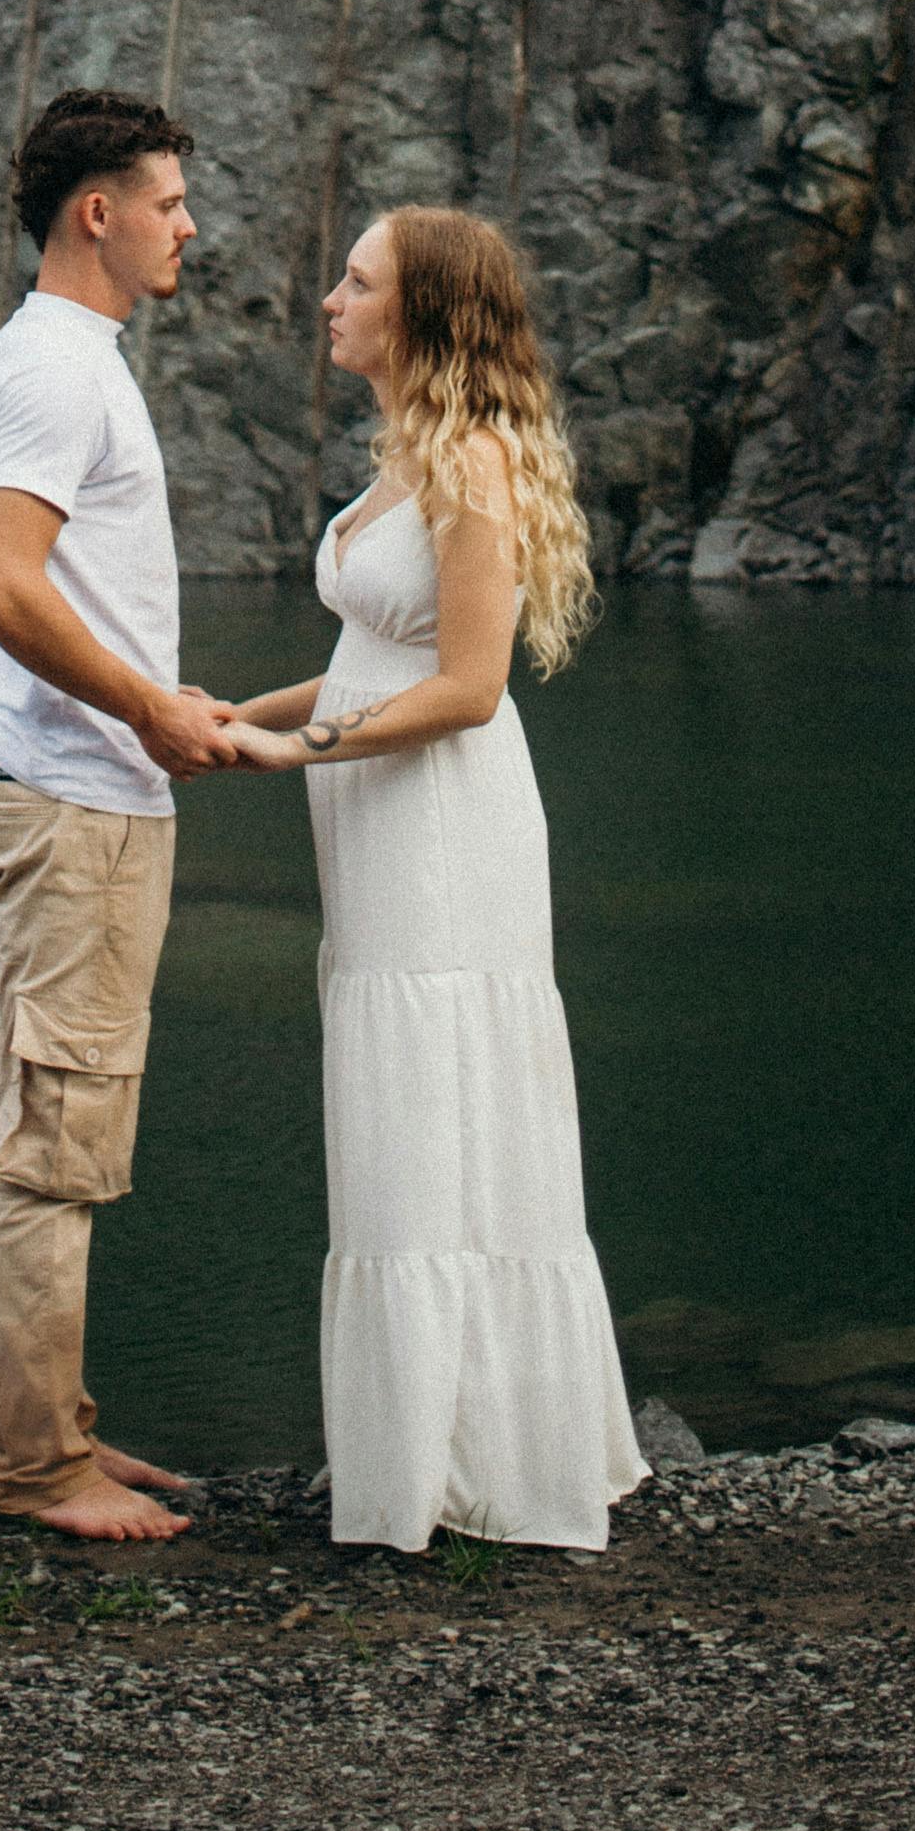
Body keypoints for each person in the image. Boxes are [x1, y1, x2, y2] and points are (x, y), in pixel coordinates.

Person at [226, 208, 645, 1555]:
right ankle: (437, 1448)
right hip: (375, 823)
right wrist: (230, 715)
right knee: (405, 1105)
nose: (330, 299)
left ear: (420, 316)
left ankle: (481, 1464)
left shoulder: (470, 462)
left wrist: (291, 743)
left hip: (448, 830)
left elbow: (465, 692)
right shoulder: (398, 460)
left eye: (356, 281)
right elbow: (367, 661)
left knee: (445, 1097)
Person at [0, 84, 242, 1544]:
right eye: (172, 202)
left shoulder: (71, 357)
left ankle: (59, 1434)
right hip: (77, 801)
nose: (191, 226)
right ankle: (35, 1471)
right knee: (48, 1140)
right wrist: (150, 709)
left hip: (81, 793)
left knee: (52, 1122)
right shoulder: (60, 370)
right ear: (99, 213)